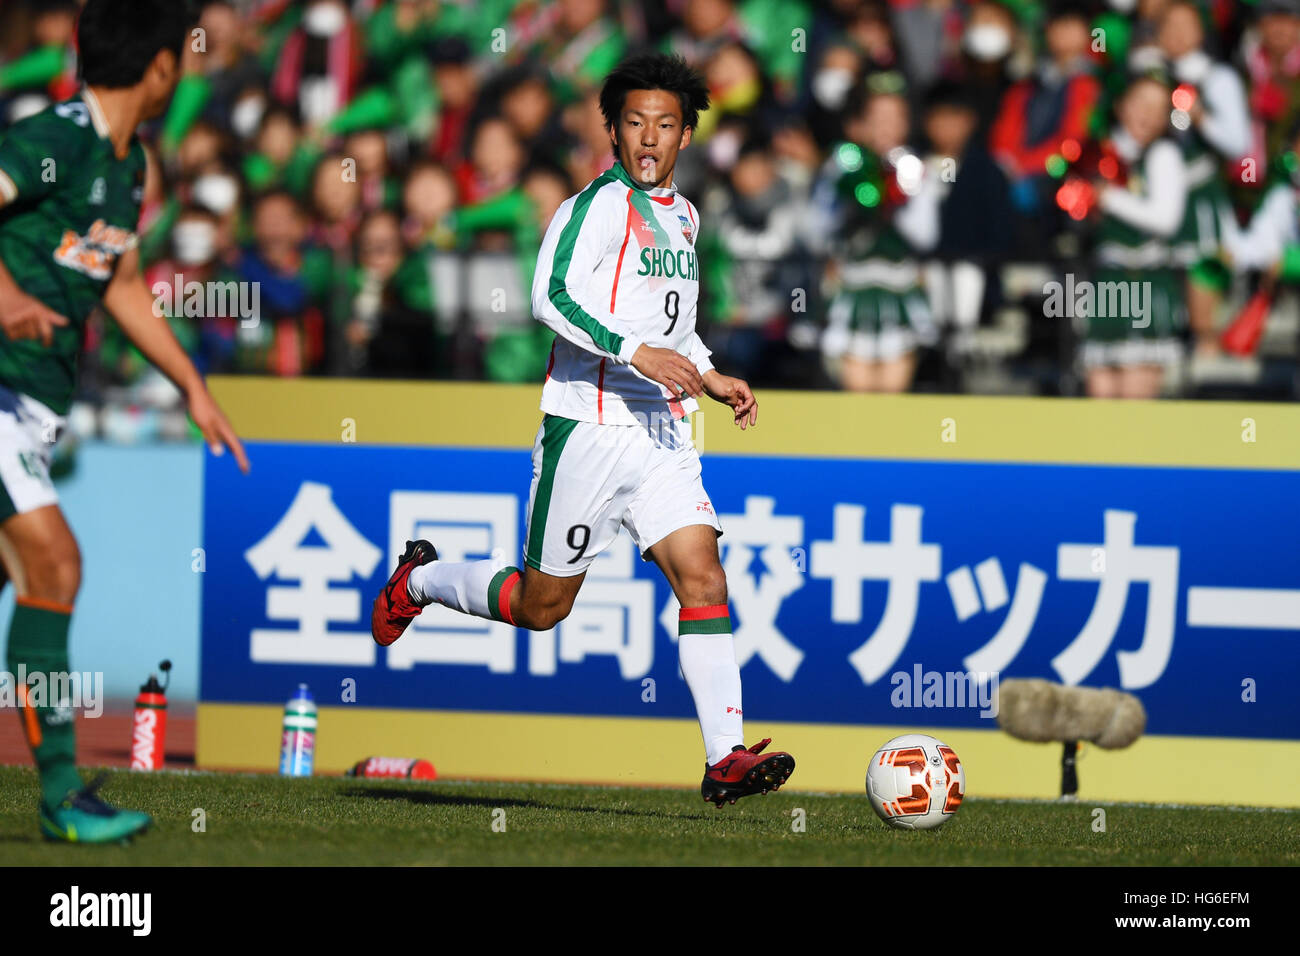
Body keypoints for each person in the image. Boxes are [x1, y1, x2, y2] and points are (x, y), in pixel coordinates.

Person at [370, 53, 795, 808]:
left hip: (662, 430)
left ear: (687, 135)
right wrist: (640, 354)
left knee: (703, 575)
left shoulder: (686, 218)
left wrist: (712, 374)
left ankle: (724, 756)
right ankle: (422, 579)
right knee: (543, 608)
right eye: (633, 123)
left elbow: (675, 328)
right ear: (611, 130)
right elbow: (549, 298)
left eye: (664, 125)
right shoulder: (596, 207)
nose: (648, 138)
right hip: (589, 427)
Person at [0, 0, 248, 843]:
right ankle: (64, 797)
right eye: (183, 53)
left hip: (34, 405)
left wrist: (191, 385)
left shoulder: (126, 164)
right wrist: (6, 296)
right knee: (55, 565)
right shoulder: (55, 139)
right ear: (160, 67)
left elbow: (122, 286)